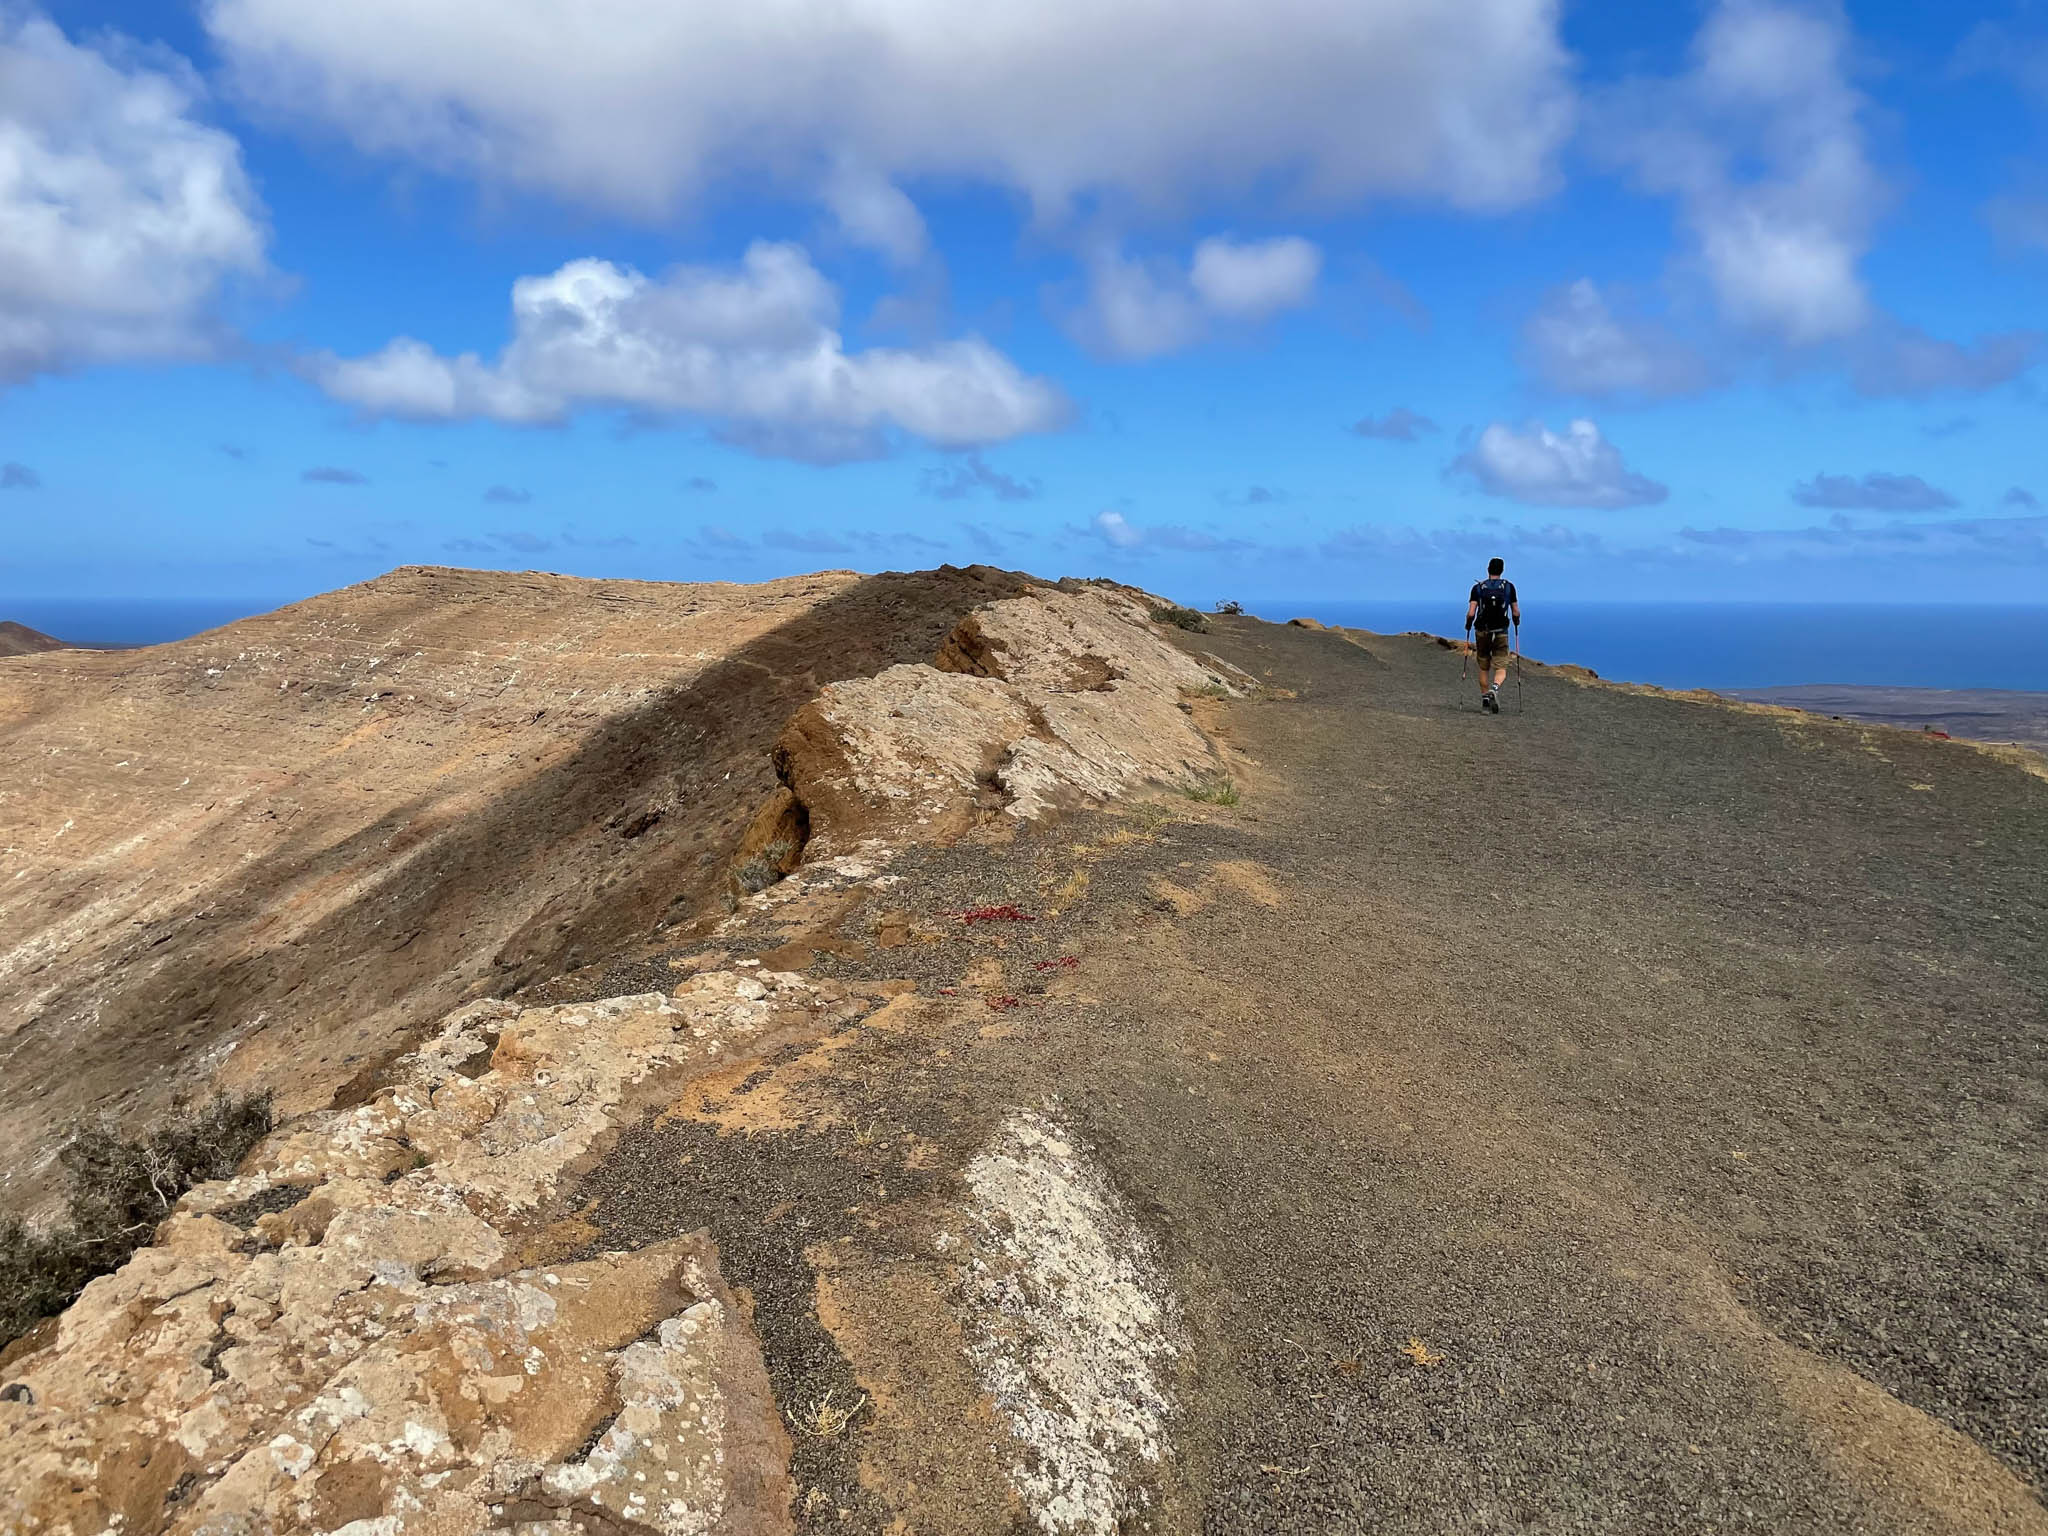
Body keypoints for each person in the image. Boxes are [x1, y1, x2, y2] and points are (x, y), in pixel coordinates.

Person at [1465, 557, 1520, 713]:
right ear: (1502, 570)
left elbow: (1471, 613)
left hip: (1482, 631)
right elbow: (1516, 611)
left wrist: (1468, 625)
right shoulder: (1509, 587)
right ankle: (1494, 689)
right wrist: (1516, 622)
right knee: (1501, 666)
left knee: (1484, 666)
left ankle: (1485, 702)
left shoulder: (1478, 588)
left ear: (1488, 569)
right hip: (1501, 631)